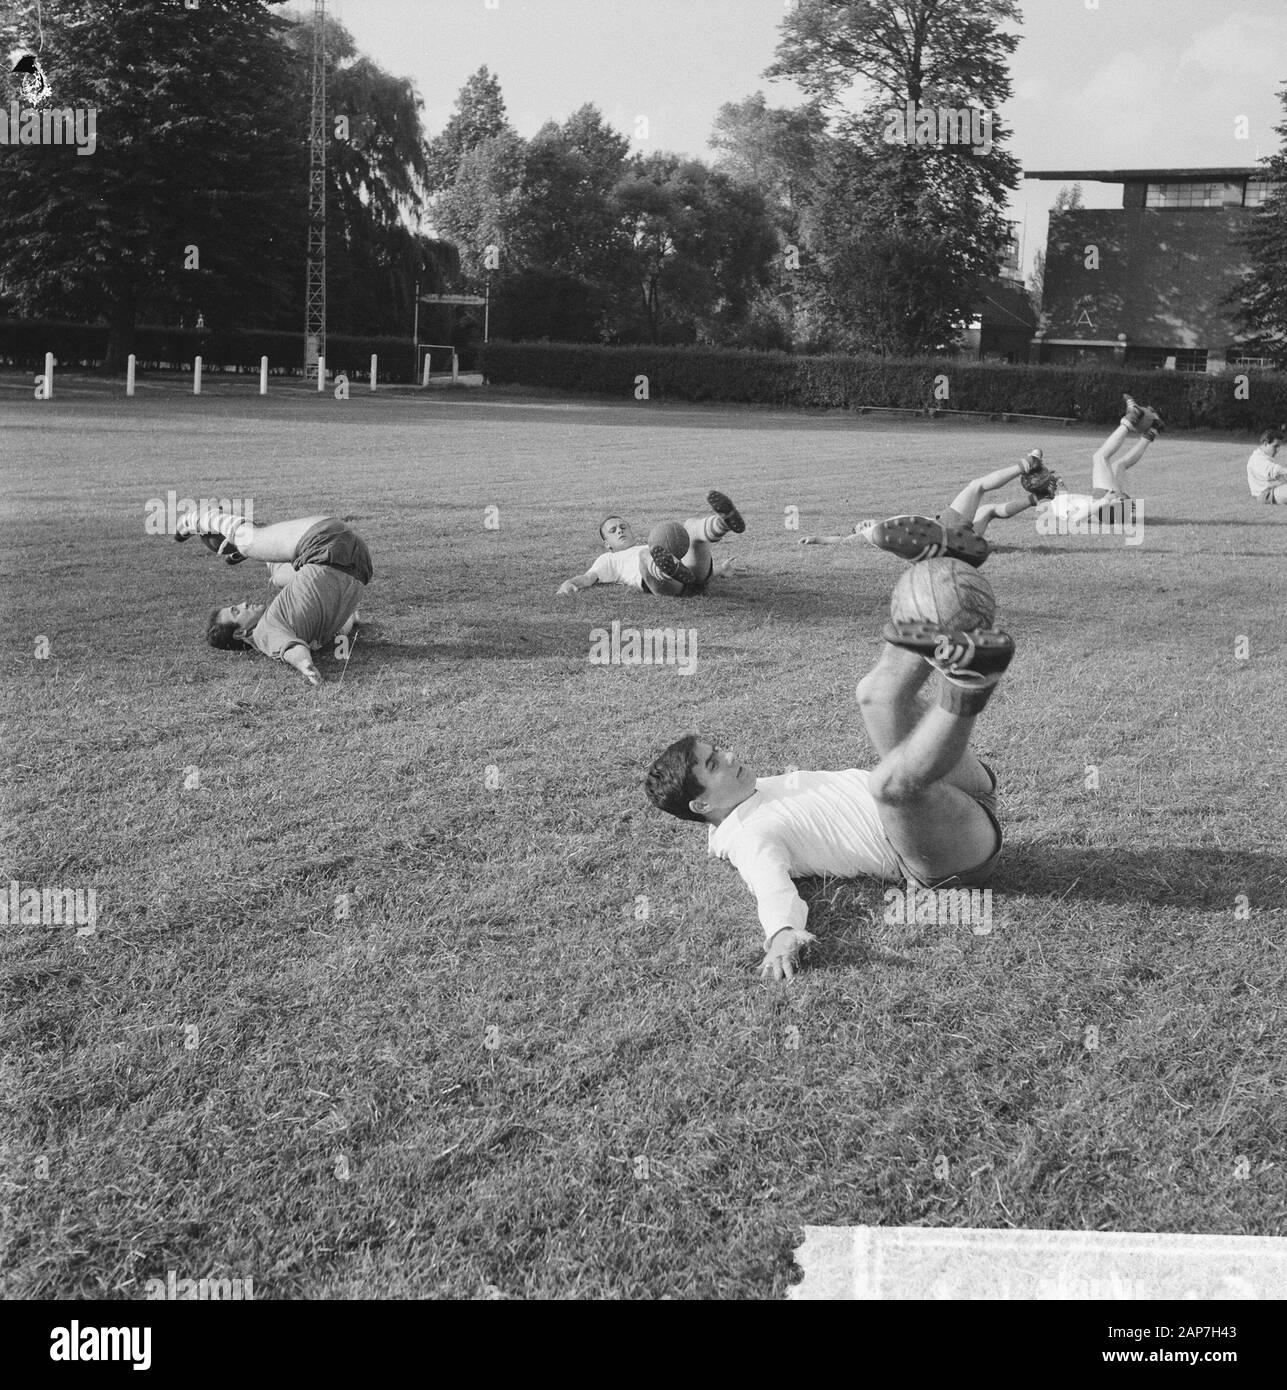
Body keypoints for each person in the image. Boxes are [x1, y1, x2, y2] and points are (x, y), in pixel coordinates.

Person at [644, 563, 1013, 981]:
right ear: (702, 803)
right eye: (714, 764)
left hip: (956, 790)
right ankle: (968, 685)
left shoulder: (753, 791)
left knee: (873, 695)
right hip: (945, 854)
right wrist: (783, 935)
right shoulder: (746, 836)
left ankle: (923, 614)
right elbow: (770, 888)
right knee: (886, 787)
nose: (729, 756)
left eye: (718, 751)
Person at [175, 507, 372, 686]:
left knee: (279, 578)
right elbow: (289, 650)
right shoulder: (265, 634)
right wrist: (305, 664)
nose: (243, 603)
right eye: (236, 611)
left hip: (358, 568)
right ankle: (200, 519)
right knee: (248, 541)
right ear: (240, 633)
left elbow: (342, 627)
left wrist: (352, 619)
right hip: (325, 545)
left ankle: (257, 551)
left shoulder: (305, 633)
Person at [800, 450, 1061, 560]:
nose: (864, 523)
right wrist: (818, 539)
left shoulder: (895, 531)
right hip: (947, 528)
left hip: (956, 537)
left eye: (864, 522)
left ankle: (1036, 498)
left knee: (990, 510)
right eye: (861, 526)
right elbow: (844, 541)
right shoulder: (875, 534)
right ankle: (1027, 464)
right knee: (975, 486)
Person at [557, 490, 745, 598]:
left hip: (694, 576)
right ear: (607, 544)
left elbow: (697, 563)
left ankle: (723, 523)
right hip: (667, 586)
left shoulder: (649, 544)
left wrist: (721, 569)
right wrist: (571, 583)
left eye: (623, 527)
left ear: (631, 531)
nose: (620, 530)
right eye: (613, 530)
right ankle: (668, 570)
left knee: (688, 527)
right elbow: (588, 578)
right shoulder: (608, 559)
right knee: (646, 555)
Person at [1246, 427, 1287, 504]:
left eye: (1279, 446)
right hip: (1265, 494)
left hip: (1274, 491)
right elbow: (1274, 471)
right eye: (1275, 446)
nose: (1278, 450)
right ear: (1265, 444)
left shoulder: (1265, 456)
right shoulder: (1256, 459)